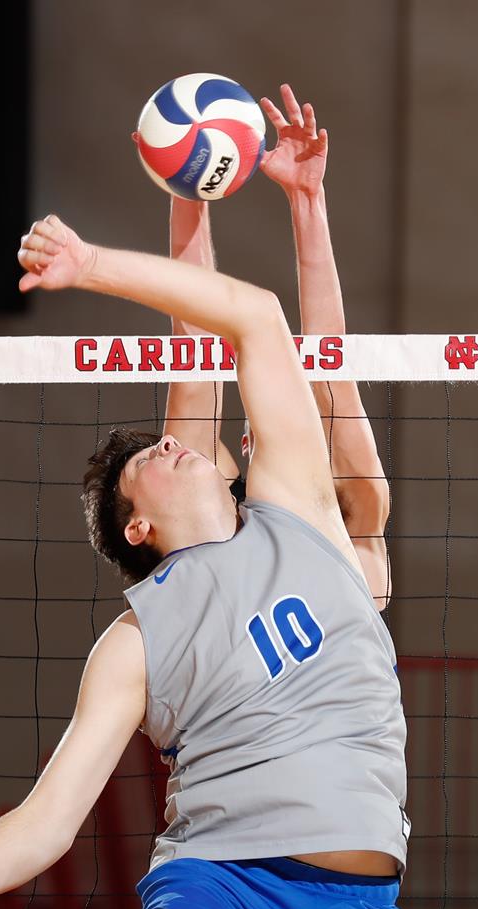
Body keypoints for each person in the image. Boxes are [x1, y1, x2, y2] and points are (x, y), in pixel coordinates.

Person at [0, 91, 407, 909]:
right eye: (153, 456)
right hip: (216, 885)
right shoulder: (137, 638)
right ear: (137, 529)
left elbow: (264, 330)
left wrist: (239, 203)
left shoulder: (306, 517)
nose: (179, 445)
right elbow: (48, 820)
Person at [160, 84, 391, 610]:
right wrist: (189, 181)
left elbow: (330, 368)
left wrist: (308, 198)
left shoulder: (353, 517)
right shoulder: (215, 514)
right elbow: (195, 367)